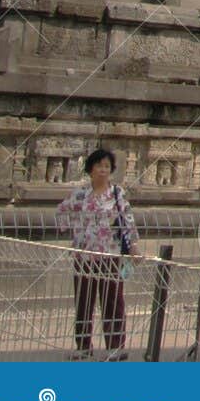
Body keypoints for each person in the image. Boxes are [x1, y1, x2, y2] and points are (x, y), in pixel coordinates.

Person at [55, 147, 141, 360]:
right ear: (90, 169)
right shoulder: (80, 194)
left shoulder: (117, 193)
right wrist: (76, 230)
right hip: (84, 254)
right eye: (99, 165)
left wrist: (133, 246)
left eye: (107, 166)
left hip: (110, 254)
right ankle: (83, 345)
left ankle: (115, 346)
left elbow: (127, 219)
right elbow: (62, 212)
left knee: (112, 300)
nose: (103, 170)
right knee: (84, 300)